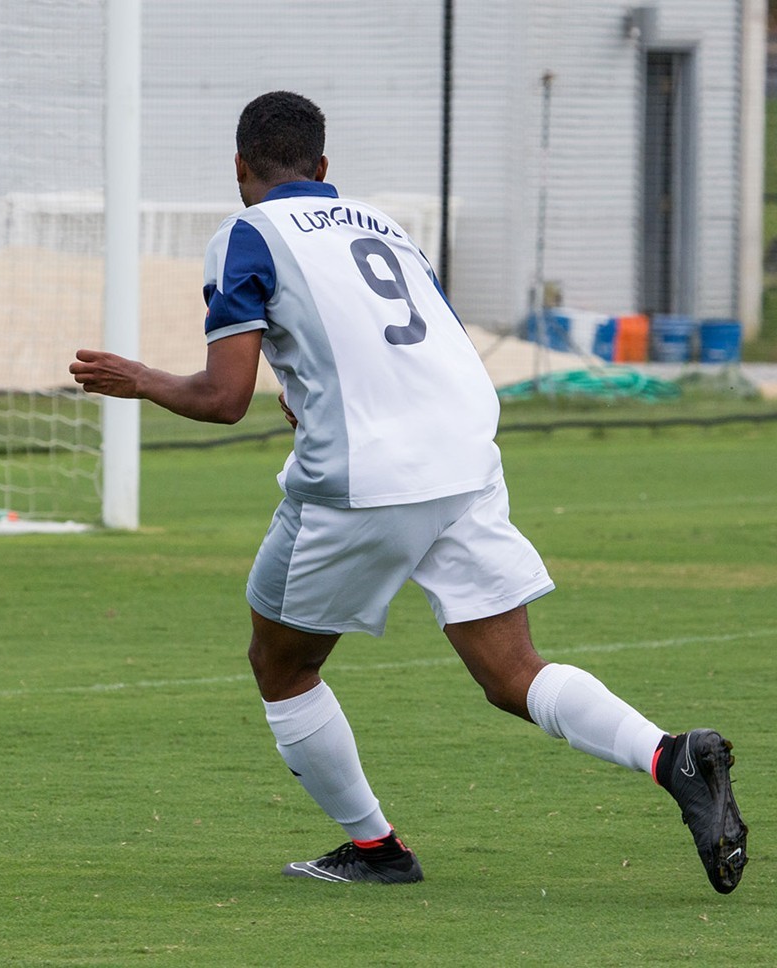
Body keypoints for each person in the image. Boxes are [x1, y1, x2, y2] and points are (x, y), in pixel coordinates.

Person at [69, 91, 746, 892]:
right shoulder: (383, 226)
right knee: (513, 672)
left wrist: (136, 378)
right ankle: (672, 757)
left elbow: (222, 399)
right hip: (463, 460)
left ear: (241, 169)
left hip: (366, 480)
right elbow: (425, 348)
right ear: (323, 169)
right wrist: (316, 393)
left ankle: (374, 850)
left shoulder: (245, 234)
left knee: (281, 666)